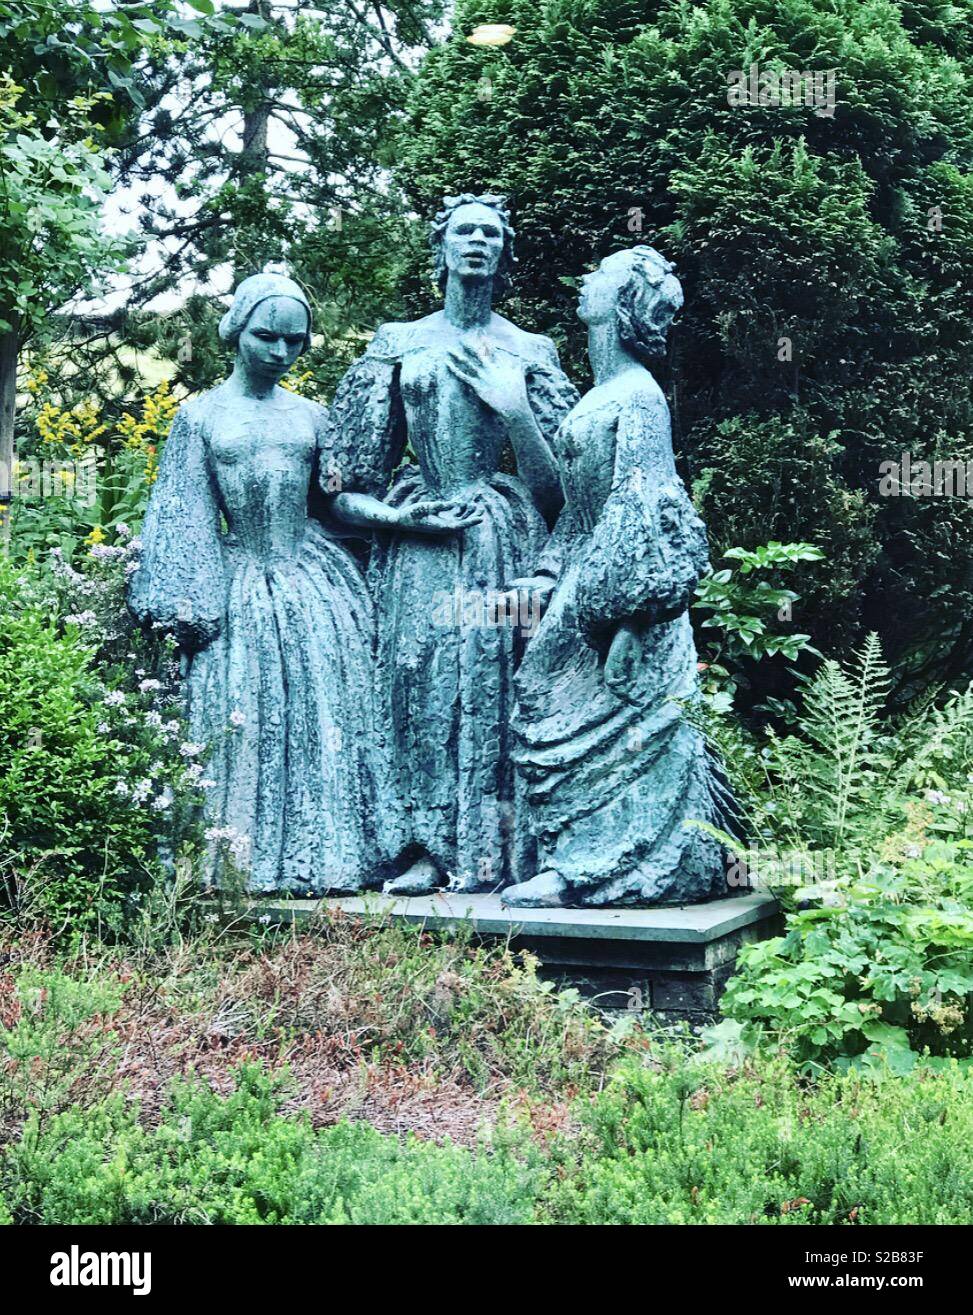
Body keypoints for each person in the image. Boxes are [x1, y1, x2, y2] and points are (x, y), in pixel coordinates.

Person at [328, 195, 578, 894]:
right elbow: (348, 485)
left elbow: (562, 488)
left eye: (491, 233)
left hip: (503, 538)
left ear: (504, 253)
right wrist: (406, 522)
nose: (477, 242)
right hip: (419, 543)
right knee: (413, 682)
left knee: (500, 688)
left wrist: (517, 410)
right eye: (464, 230)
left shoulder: (531, 351)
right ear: (440, 246)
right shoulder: (398, 343)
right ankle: (423, 847)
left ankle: (501, 851)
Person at [504, 247, 733, 907]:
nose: (589, 274)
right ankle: (573, 859)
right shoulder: (600, 394)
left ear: (619, 304)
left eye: (603, 272)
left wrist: (631, 621)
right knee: (546, 700)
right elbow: (575, 517)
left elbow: (648, 506)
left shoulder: (638, 397)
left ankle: (604, 870)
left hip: (621, 597)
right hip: (584, 584)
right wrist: (548, 575)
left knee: (628, 737)